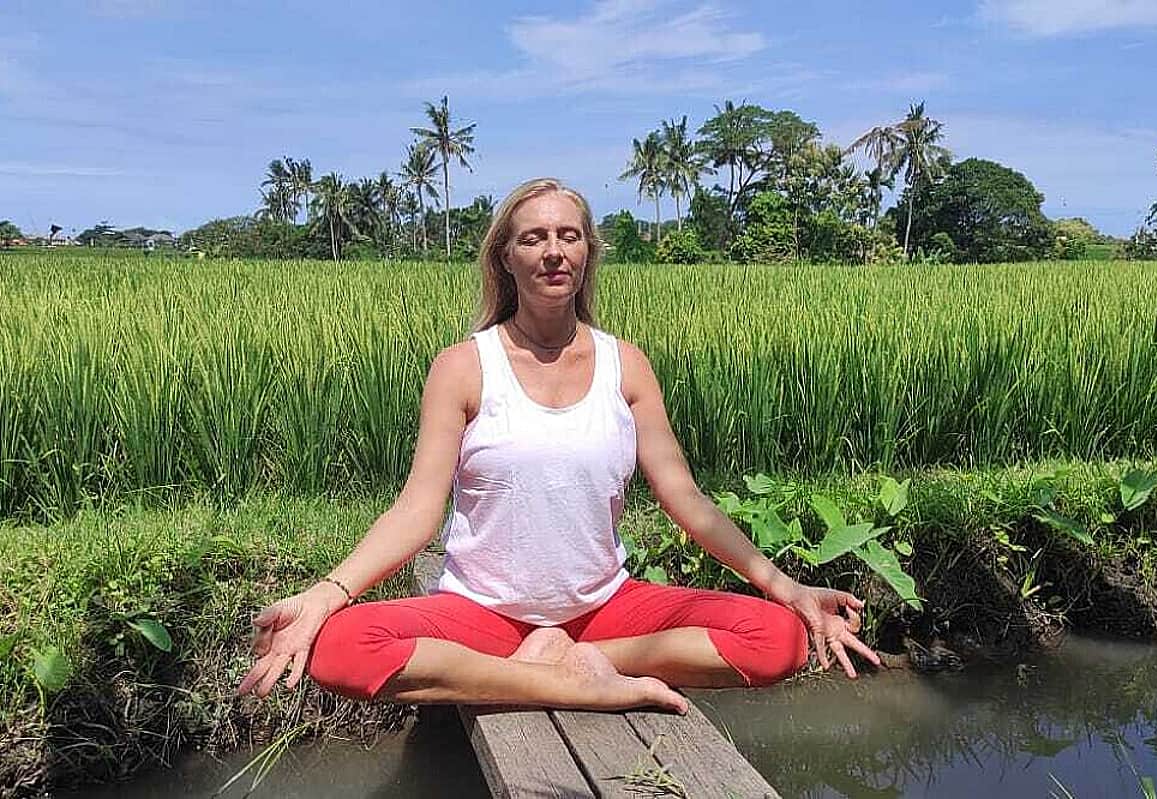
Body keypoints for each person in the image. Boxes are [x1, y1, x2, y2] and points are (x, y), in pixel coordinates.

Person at [237, 178, 880, 713]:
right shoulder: (463, 367)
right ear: (506, 258)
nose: (553, 251)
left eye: (568, 236)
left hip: (604, 610)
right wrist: (326, 594)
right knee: (341, 647)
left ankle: (580, 663)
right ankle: (574, 686)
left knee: (777, 639)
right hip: (484, 613)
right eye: (534, 237)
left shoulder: (625, 365)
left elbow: (684, 496)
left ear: (587, 254)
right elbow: (417, 509)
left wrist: (785, 587)